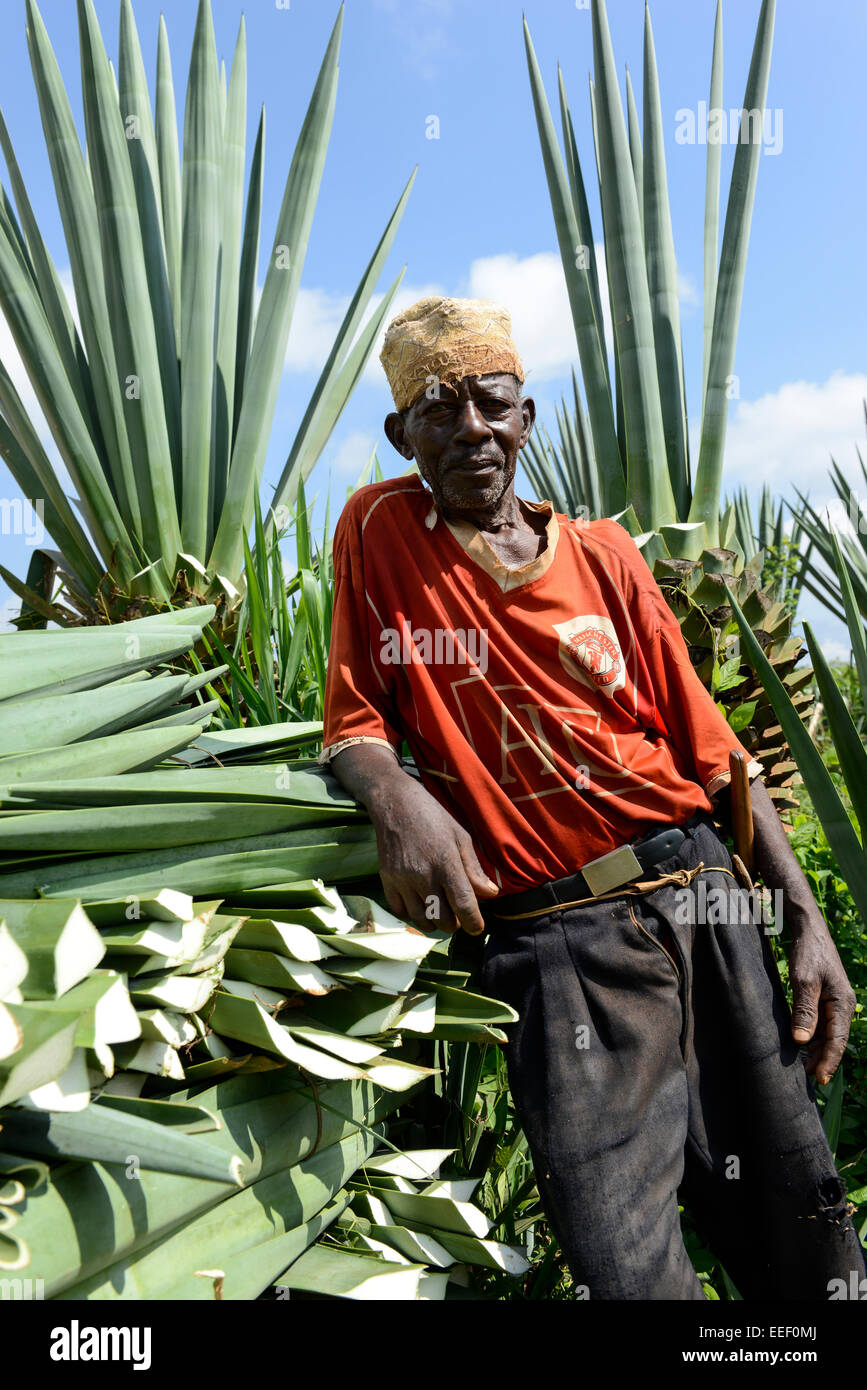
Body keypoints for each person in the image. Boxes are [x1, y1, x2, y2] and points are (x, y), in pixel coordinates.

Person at [318, 294, 865, 1300]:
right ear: (403, 435)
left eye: (493, 403)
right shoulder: (381, 530)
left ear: (527, 416)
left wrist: (804, 916)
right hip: (558, 944)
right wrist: (396, 797)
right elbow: (354, 721)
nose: (473, 429)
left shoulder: (607, 556)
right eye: (440, 411)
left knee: (801, 1228)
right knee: (622, 1261)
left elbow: (714, 754)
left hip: (701, 891)